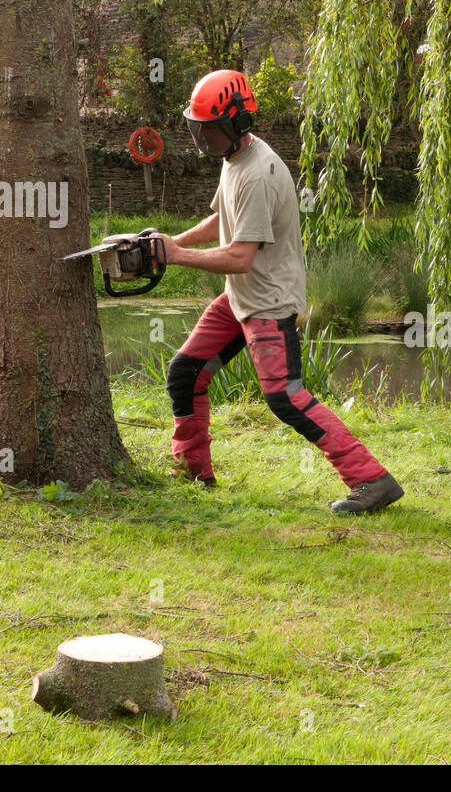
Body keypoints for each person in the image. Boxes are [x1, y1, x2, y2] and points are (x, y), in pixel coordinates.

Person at [150, 69, 403, 514]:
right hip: (241, 297)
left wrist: (174, 256)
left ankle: (372, 480)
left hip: (267, 300)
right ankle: (193, 473)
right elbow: (222, 220)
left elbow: (239, 255)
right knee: (186, 373)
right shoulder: (234, 161)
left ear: (237, 122)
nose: (204, 139)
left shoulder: (259, 172)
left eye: (211, 129)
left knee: (286, 397)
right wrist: (172, 242)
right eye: (199, 129)